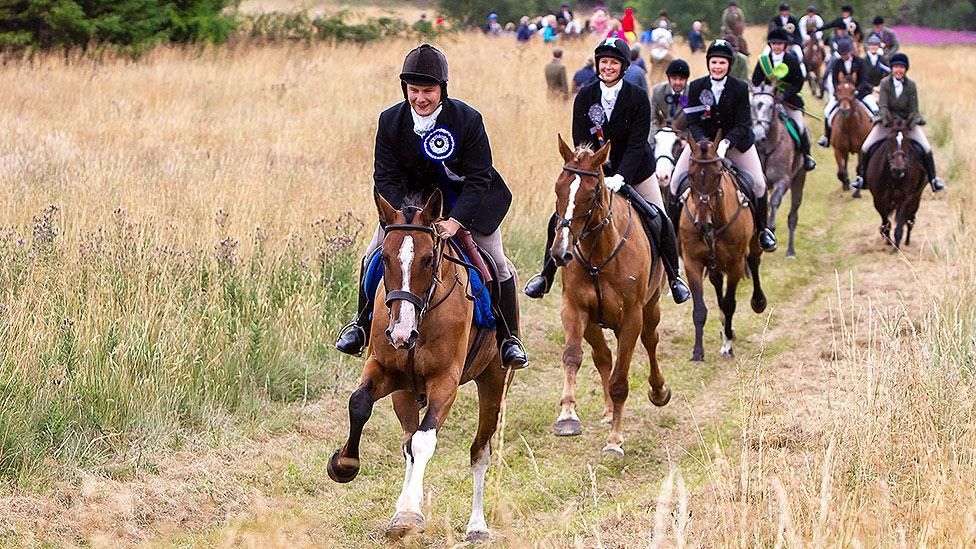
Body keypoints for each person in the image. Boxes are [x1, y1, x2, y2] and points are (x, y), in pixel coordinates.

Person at [335, 44, 529, 369]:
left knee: (496, 263)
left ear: (442, 89)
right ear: (405, 89)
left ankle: (509, 338)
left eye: (428, 91)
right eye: (414, 90)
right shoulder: (390, 121)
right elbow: (384, 177)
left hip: (468, 206)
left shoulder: (468, 120)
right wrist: (405, 219)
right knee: (371, 256)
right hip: (408, 212)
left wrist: (456, 221)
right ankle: (360, 324)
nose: (421, 98)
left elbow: (480, 177)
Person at [523, 38, 691, 304]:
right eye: (604, 62)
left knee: (660, 218)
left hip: (636, 171)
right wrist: (595, 171)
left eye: (613, 63)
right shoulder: (585, 96)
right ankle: (545, 276)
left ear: (623, 67)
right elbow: (581, 140)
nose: (608, 67)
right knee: (560, 217)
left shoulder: (638, 97)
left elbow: (638, 143)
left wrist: (622, 176)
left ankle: (674, 277)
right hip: (593, 173)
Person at [668, 40, 778, 252]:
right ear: (708, 63)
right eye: (714, 62)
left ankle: (762, 231)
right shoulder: (696, 87)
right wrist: (703, 143)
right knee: (674, 182)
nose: (717, 67)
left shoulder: (739, 88)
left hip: (736, 144)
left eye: (722, 63)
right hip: (702, 146)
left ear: (729, 65)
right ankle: (672, 233)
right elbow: (692, 122)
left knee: (758, 184)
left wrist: (726, 143)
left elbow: (743, 124)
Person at [853, 53, 944, 193]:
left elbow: (914, 109)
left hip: (907, 124)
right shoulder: (885, 83)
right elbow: (883, 106)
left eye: (901, 67)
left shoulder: (911, 85)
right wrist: (889, 121)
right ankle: (862, 178)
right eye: (896, 67)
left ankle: (933, 180)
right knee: (866, 146)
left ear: (906, 69)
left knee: (926, 147)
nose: (898, 70)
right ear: (892, 68)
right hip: (887, 123)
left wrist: (909, 122)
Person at [752, 28, 816, 171]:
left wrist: (784, 95)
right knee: (755, 124)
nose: (777, 46)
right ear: (770, 45)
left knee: (800, 127)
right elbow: (756, 80)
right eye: (774, 43)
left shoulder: (791, 60)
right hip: (768, 100)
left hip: (788, 101)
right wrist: (767, 92)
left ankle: (806, 156)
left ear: (785, 45)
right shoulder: (763, 61)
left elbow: (798, 82)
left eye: (780, 44)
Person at [818, 36, 876, 148]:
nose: (844, 56)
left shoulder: (860, 62)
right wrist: (837, 92)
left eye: (845, 54)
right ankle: (827, 137)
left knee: (874, 109)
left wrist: (857, 91)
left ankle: (874, 137)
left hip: (860, 93)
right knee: (827, 111)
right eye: (841, 54)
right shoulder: (837, 63)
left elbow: (864, 79)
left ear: (850, 51)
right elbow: (834, 80)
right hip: (842, 95)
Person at [650, 59, 690, 136]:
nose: (678, 82)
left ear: (686, 79)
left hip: (682, 135)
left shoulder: (692, 93)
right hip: (661, 134)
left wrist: (684, 139)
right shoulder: (657, 91)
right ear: (669, 78)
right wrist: (655, 137)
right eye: (674, 79)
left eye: (681, 79)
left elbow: (693, 123)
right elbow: (652, 119)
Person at [764, 3, 806, 77]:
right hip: (777, 43)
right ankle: (765, 72)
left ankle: (802, 73)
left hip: (791, 43)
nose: (785, 13)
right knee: (765, 53)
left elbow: (797, 33)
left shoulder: (793, 19)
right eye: (783, 11)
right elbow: (770, 32)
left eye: (786, 11)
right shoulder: (775, 20)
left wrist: (795, 42)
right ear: (780, 12)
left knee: (800, 54)